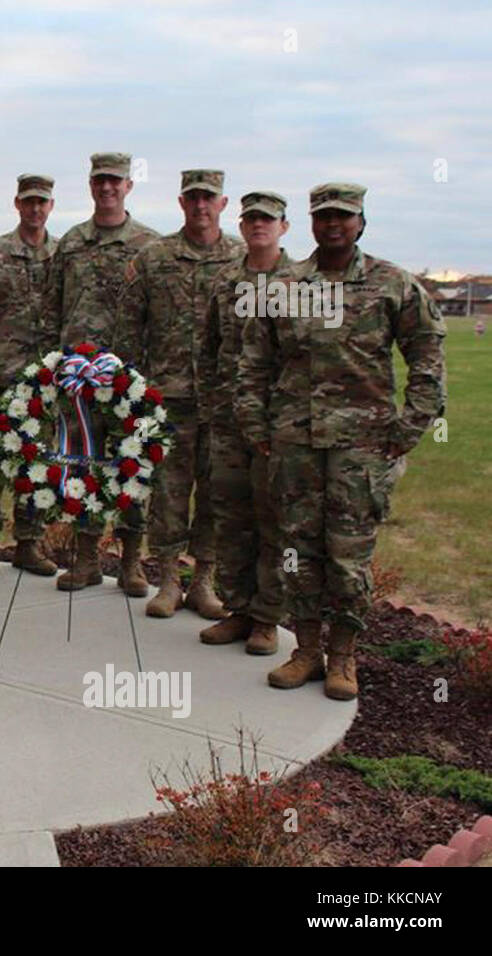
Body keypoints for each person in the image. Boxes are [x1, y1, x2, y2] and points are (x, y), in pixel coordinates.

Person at [236, 183, 446, 700]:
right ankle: (307, 650)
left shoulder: (391, 283)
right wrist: (257, 427)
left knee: (349, 556)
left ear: (361, 221)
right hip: (294, 443)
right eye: (324, 216)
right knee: (297, 551)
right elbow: (254, 362)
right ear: (311, 221)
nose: (333, 225)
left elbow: (427, 355)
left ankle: (344, 656)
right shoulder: (285, 285)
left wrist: (409, 426)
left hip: (362, 447)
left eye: (343, 217)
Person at [122, 169, 246, 619]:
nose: (200, 206)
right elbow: (130, 329)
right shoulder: (155, 258)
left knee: (217, 493)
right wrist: (132, 394)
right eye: (193, 198)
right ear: (181, 202)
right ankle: (170, 579)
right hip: (169, 398)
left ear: (223, 203)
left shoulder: (243, 259)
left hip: (225, 402)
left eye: (208, 198)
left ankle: (204, 580)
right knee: (169, 492)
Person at [49, 152, 161, 595]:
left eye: (115, 181)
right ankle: (86, 557)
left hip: (128, 379)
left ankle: (132, 561)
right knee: (83, 464)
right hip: (78, 378)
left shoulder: (150, 246)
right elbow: (52, 305)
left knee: (133, 466)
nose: (108, 188)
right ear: (91, 185)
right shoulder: (73, 242)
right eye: (100, 181)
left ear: (129, 186)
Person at [196, 191, 292, 654]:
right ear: (241, 225)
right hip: (229, 420)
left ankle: (267, 618)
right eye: (251, 219)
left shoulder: (300, 283)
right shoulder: (225, 282)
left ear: (284, 227)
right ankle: (237, 609)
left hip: (279, 423)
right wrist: (211, 401)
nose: (258, 226)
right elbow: (208, 347)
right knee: (230, 515)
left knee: (273, 517)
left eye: (267, 220)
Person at [0, 174, 62, 578]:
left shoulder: (62, 255)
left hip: (42, 381)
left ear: (51, 206)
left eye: (43, 202)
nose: (35, 209)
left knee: (35, 463)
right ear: (17, 205)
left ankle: (28, 544)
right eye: (29, 202)